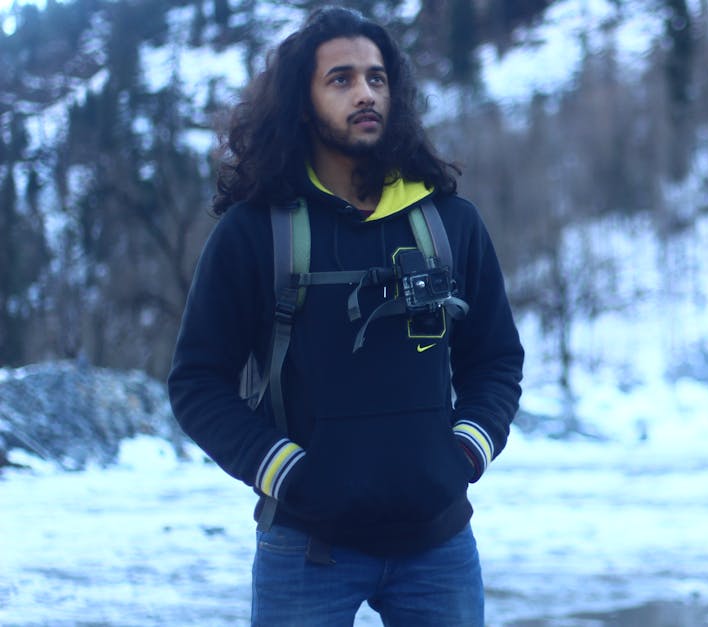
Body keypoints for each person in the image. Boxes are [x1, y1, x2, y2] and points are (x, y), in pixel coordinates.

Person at [167, 6, 523, 625]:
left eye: (377, 78)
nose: (365, 93)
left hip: (438, 547)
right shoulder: (254, 233)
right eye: (341, 79)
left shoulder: (449, 223)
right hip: (305, 548)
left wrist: (466, 452)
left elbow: (495, 360)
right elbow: (197, 383)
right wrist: (288, 473)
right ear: (302, 103)